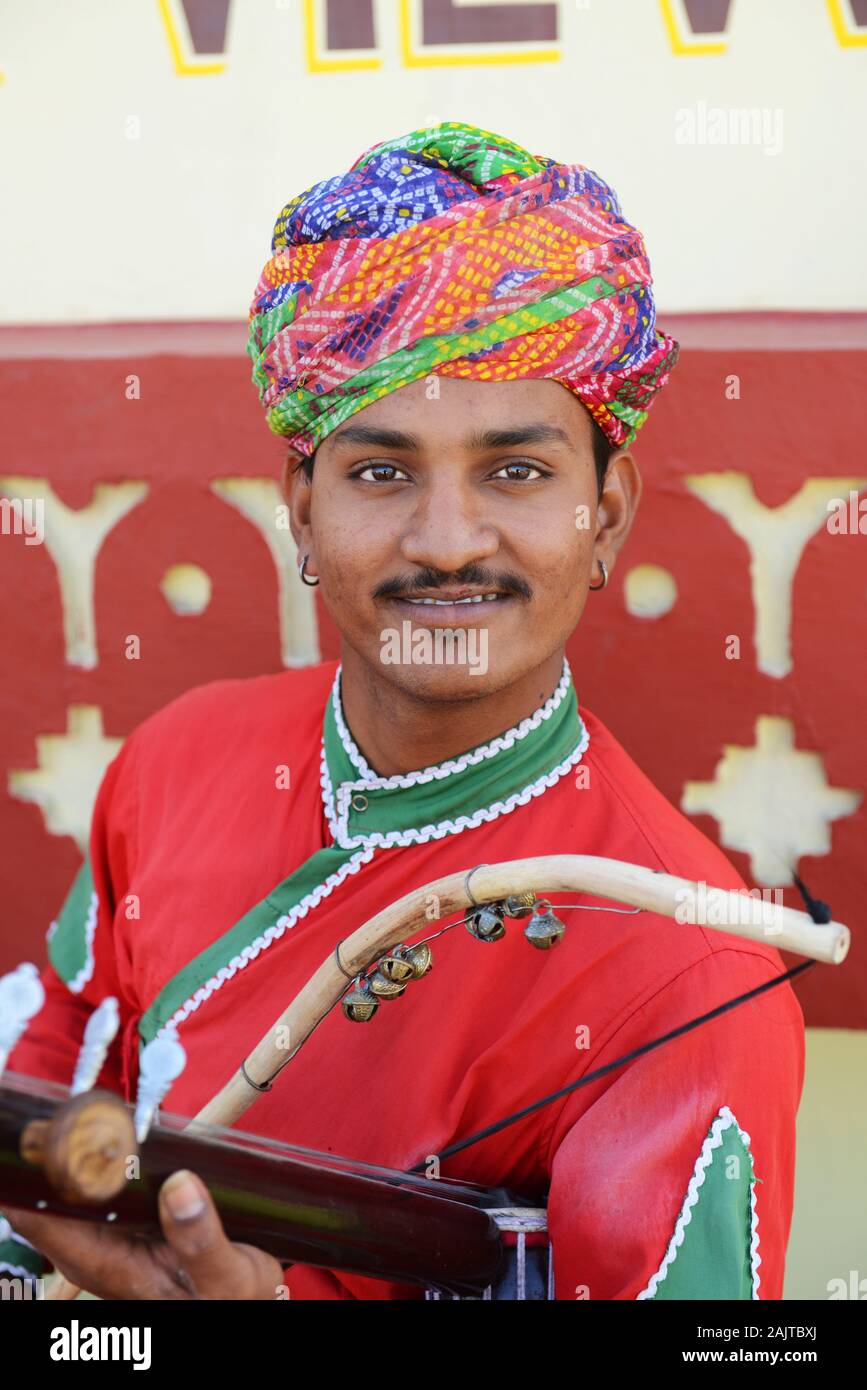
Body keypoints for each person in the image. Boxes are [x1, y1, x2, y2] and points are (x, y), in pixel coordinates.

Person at [1, 122, 803, 1300]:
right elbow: (60, 1062)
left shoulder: (690, 984)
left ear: (607, 514)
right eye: (381, 471)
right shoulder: (178, 756)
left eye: (516, 471)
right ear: (302, 509)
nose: (447, 542)